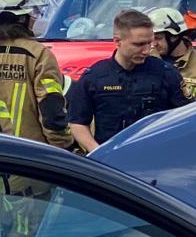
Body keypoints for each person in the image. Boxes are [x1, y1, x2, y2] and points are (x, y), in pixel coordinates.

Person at [67, 9, 188, 152]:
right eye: (139, 44)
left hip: (157, 158)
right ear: (117, 41)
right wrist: (97, 152)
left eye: (149, 43)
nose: (146, 50)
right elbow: (77, 123)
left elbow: (186, 117)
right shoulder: (95, 77)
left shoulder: (166, 73)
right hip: (110, 162)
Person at [0, 0, 75, 150]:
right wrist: (64, 146)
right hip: (29, 156)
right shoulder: (39, 54)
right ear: (21, 18)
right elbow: (51, 110)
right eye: (34, 12)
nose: (38, 16)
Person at [148, 6, 196, 102]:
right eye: (150, 39)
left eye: (158, 38)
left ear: (174, 37)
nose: (153, 44)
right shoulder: (146, 61)